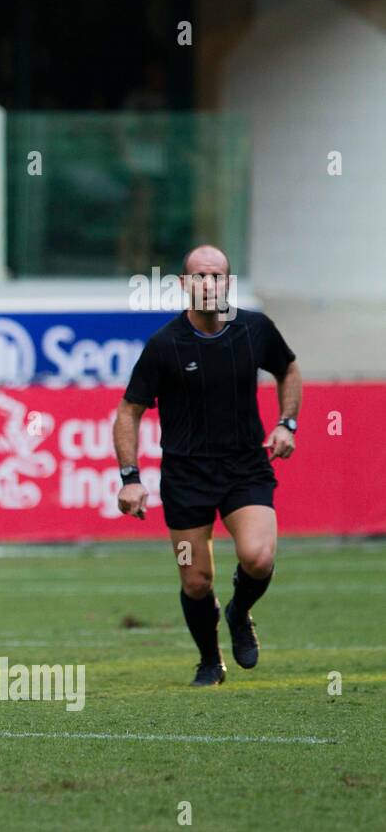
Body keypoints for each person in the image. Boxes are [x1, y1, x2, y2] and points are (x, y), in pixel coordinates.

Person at [115, 245, 301, 687]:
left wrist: (286, 423)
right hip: (185, 478)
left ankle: (239, 611)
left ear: (227, 284)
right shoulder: (164, 345)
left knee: (258, 557)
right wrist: (131, 478)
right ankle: (209, 661)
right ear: (183, 285)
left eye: (217, 276)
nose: (208, 283)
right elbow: (129, 411)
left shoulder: (255, 329)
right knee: (196, 581)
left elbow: (288, 370)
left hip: (245, 469)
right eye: (199, 276)